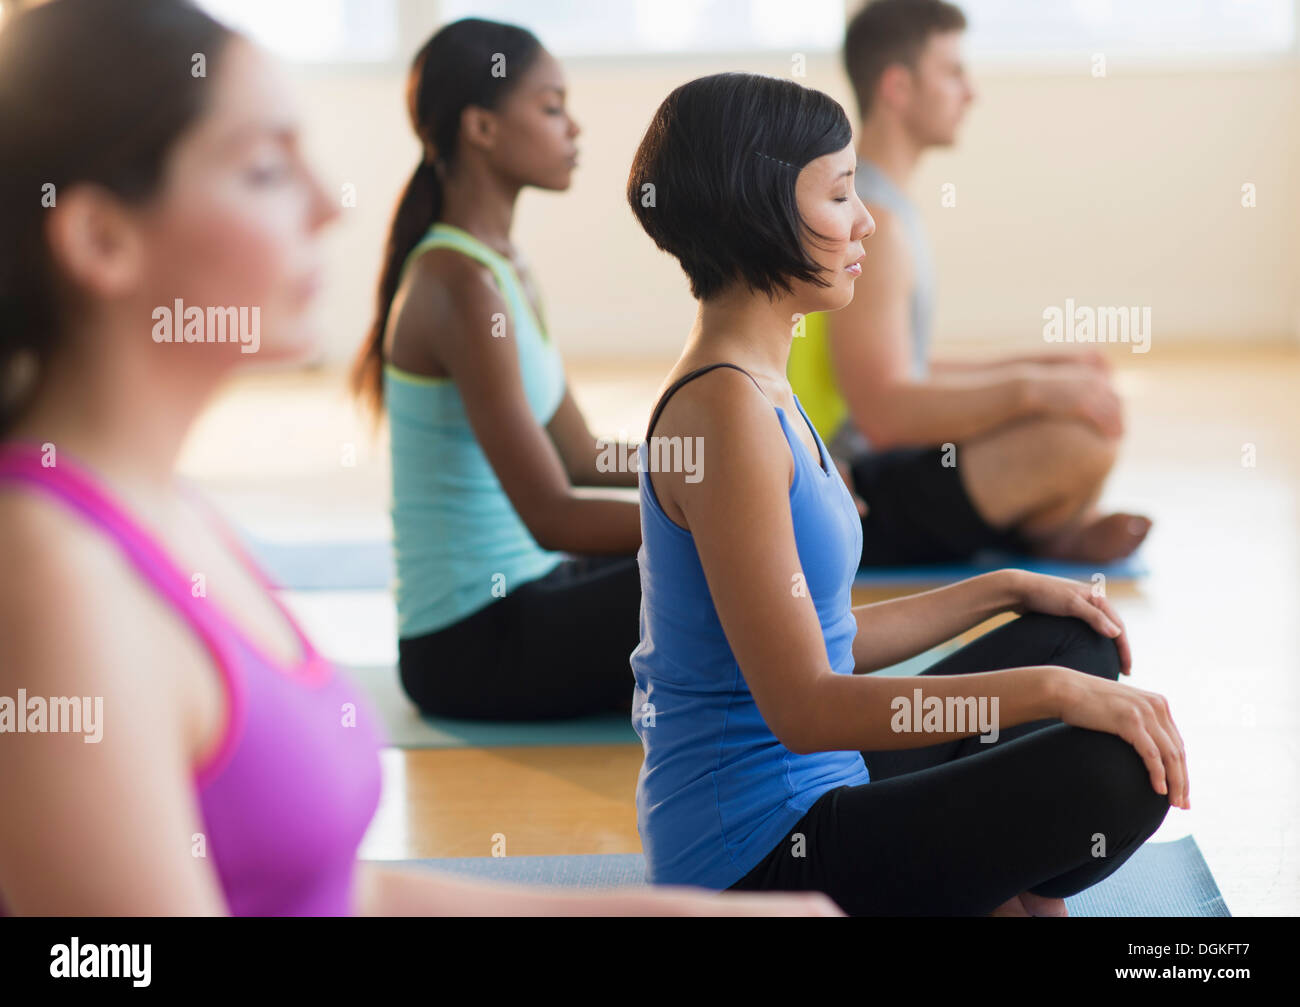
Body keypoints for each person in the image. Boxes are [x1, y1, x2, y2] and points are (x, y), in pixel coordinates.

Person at [0, 0, 836, 918]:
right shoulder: (52, 578)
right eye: (266, 168)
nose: (327, 203)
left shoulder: (178, 517)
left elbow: (327, 892)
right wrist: (734, 509)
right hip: (481, 634)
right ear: (99, 238)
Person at [625, 70, 1185, 915]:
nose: (866, 220)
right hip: (763, 854)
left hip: (828, 785)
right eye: (841, 193)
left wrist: (1002, 590)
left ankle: (994, 880)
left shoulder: (759, 381)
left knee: (1073, 637)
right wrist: (1052, 692)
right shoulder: (723, 413)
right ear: (762, 210)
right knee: (1109, 763)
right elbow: (809, 707)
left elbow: (825, 638)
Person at [787, 0, 1152, 567]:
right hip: (855, 492)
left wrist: (1040, 367)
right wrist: (1031, 390)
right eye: (954, 72)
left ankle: (1043, 532)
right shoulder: (874, 222)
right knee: (1080, 441)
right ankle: (1039, 534)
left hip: (884, 463)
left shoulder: (883, 205)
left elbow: (904, 369)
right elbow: (883, 412)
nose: (971, 92)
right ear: (898, 87)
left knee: (1075, 401)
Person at [351, 19, 645, 721]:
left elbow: (582, 454)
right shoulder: (458, 284)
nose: (574, 127)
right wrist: (737, 515)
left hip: (534, 592)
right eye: (550, 106)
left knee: (727, 562)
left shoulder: (501, 268)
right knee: (722, 568)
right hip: (469, 643)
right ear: (481, 127)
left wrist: (726, 466)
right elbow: (552, 515)